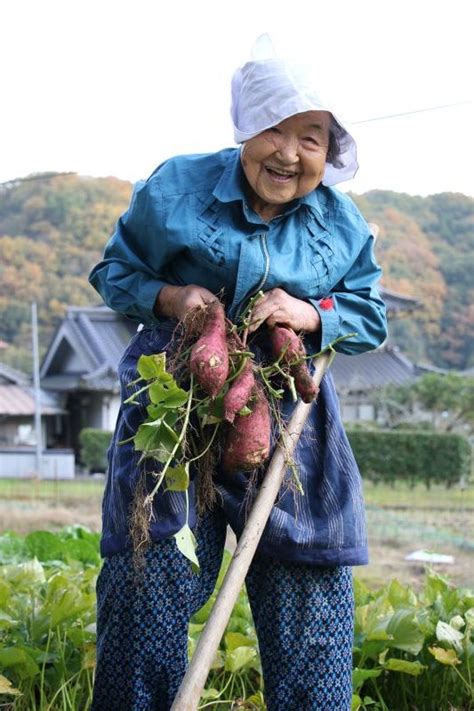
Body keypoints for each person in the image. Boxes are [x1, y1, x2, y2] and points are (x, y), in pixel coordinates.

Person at [89, 39, 387, 711]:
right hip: (176, 400)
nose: (289, 152)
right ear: (244, 126)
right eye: (274, 129)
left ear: (331, 149)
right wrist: (174, 299)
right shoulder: (174, 190)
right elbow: (113, 272)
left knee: (309, 586)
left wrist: (310, 313)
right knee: (150, 573)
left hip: (286, 416)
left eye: (310, 137)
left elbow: (370, 312)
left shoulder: (339, 222)